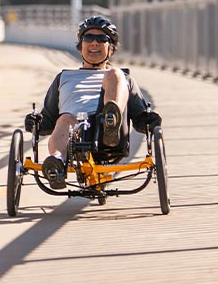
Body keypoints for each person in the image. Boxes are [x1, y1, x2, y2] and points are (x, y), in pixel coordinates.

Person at [28, 15, 161, 189]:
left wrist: (148, 120)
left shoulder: (123, 78)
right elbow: (47, 122)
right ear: (80, 45)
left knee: (114, 74)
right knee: (63, 119)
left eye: (101, 39)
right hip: (73, 133)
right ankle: (56, 165)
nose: (94, 43)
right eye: (88, 38)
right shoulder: (63, 77)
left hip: (110, 135)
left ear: (111, 49)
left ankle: (110, 120)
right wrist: (34, 122)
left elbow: (139, 118)